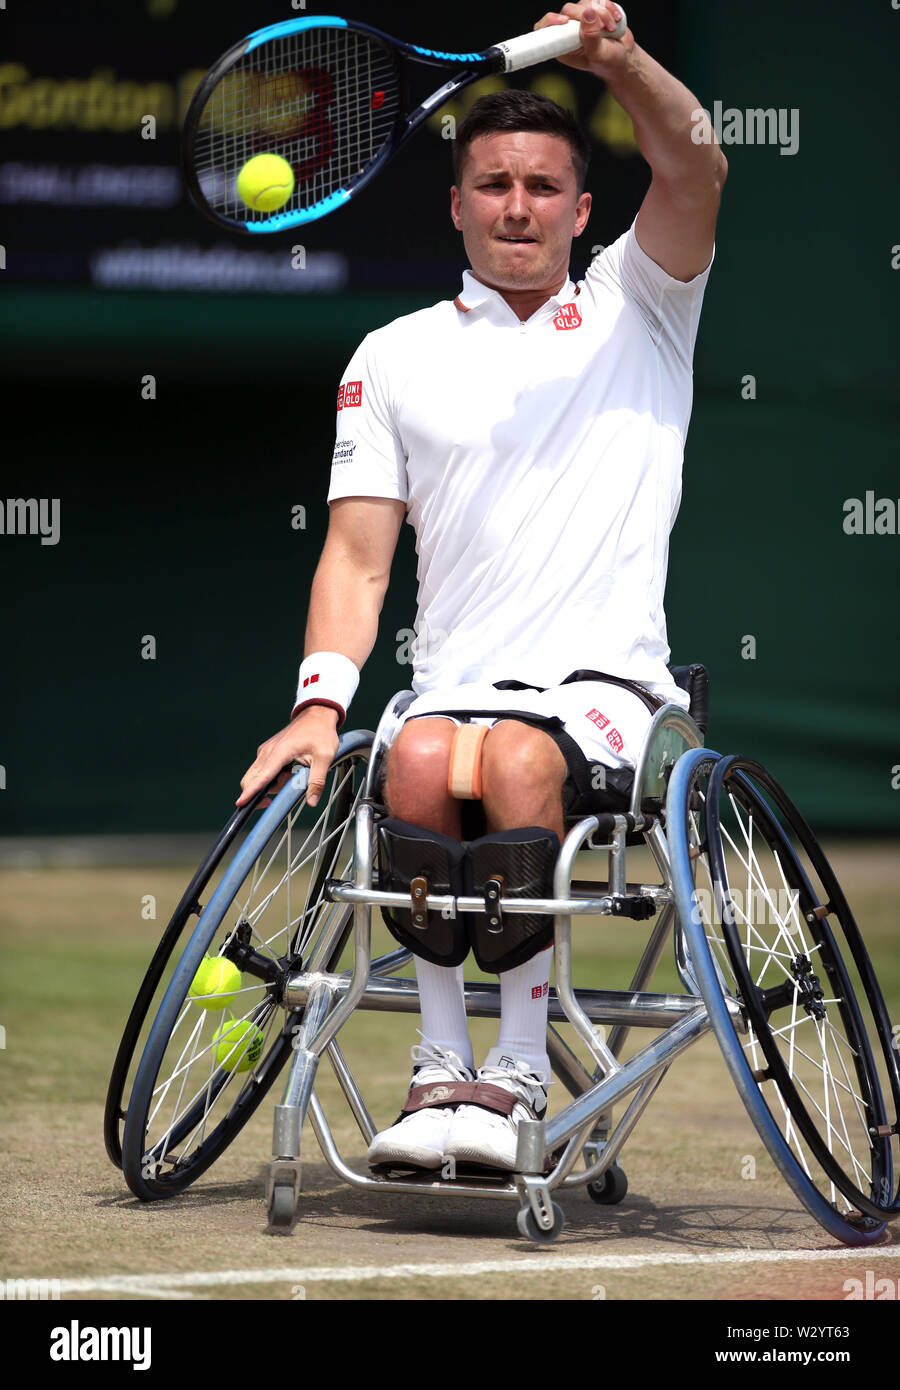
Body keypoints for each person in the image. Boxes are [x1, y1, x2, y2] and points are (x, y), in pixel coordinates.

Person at [238, 1, 726, 1174]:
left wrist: (617, 59)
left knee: (510, 757)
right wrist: (317, 702)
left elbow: (698, 158)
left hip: (609, 690)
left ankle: (512, 1074)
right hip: (449, 684)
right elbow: (356, 557)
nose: (519, 206)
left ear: (583, 209)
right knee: (413, 757)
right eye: (495, 184)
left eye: (544, 186)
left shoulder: (642, 307)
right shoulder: (394, 356)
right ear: (457, 204)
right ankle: (438, 1070)